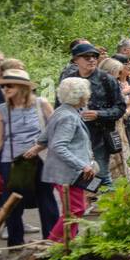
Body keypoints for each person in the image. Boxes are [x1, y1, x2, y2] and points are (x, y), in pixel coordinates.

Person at [0, 68, 58, 246]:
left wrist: (39, 146)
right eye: (3, 86)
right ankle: (15, 245)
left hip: (40, 158)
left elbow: (56, 129)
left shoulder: (41, 103)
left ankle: (51, 242)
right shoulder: (1, 109)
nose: (5, 89)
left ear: (22, 87)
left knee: (46, 199)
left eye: (9, 85)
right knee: (13, 204)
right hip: (13, 162)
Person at [61, 42, 126, 192]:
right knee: (79, 175)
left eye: (94, 56)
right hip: (75, 136)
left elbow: (120, 108)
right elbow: (60, 107)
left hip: (100, 136)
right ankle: (90, 205)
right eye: (86, 57)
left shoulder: (107, 80)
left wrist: (99, 114)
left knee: (101, 173)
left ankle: (110, 207)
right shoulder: (68, 81)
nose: (91, 60)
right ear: (76, 60)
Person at [43, 77, 98, 244]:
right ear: (80, 97)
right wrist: (83, 165)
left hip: (63, 171)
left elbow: (45, 137)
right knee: (75, 210)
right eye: (86, 94)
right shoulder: (68, 116)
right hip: (67, 173)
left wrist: (35, 148)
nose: (88, 97)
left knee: (75, 209)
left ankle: (68, 245)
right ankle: (52, 245)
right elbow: (58, 146)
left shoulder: (62, 111)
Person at [97, 57, 130, 185]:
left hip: (113, 132)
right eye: (118, 73)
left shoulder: (99, 87)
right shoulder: (107, 89)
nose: (119, 77)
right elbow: (117, 115)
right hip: (113, 133)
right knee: (114, 169)